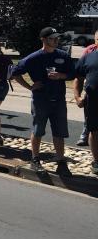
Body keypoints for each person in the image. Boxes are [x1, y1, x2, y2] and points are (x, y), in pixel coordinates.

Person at [11, 27, 75, 177]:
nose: (56, 40)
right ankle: (35, 159)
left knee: (59, 131)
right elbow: (15, 73)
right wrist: (30, 87)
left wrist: (61, 76)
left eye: (57, 38)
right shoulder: (34, 58)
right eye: (53, 38)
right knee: (38, 129)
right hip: (40, 100)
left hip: (59, 99)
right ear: (44, 40)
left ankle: (61, 161)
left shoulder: (63, 56)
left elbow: (73, 73)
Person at [73, 37, 98, 176]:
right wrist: (77, 96)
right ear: (96, 40)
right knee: (94, 131)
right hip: (93, 102)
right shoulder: (88, 57)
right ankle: (96, 161)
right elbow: (78, 77)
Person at [76, 31, 98, 146]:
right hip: (91, 94)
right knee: (91, 123)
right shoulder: (89, 51)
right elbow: (79, 75)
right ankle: (85, 135)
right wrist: (77, 96)